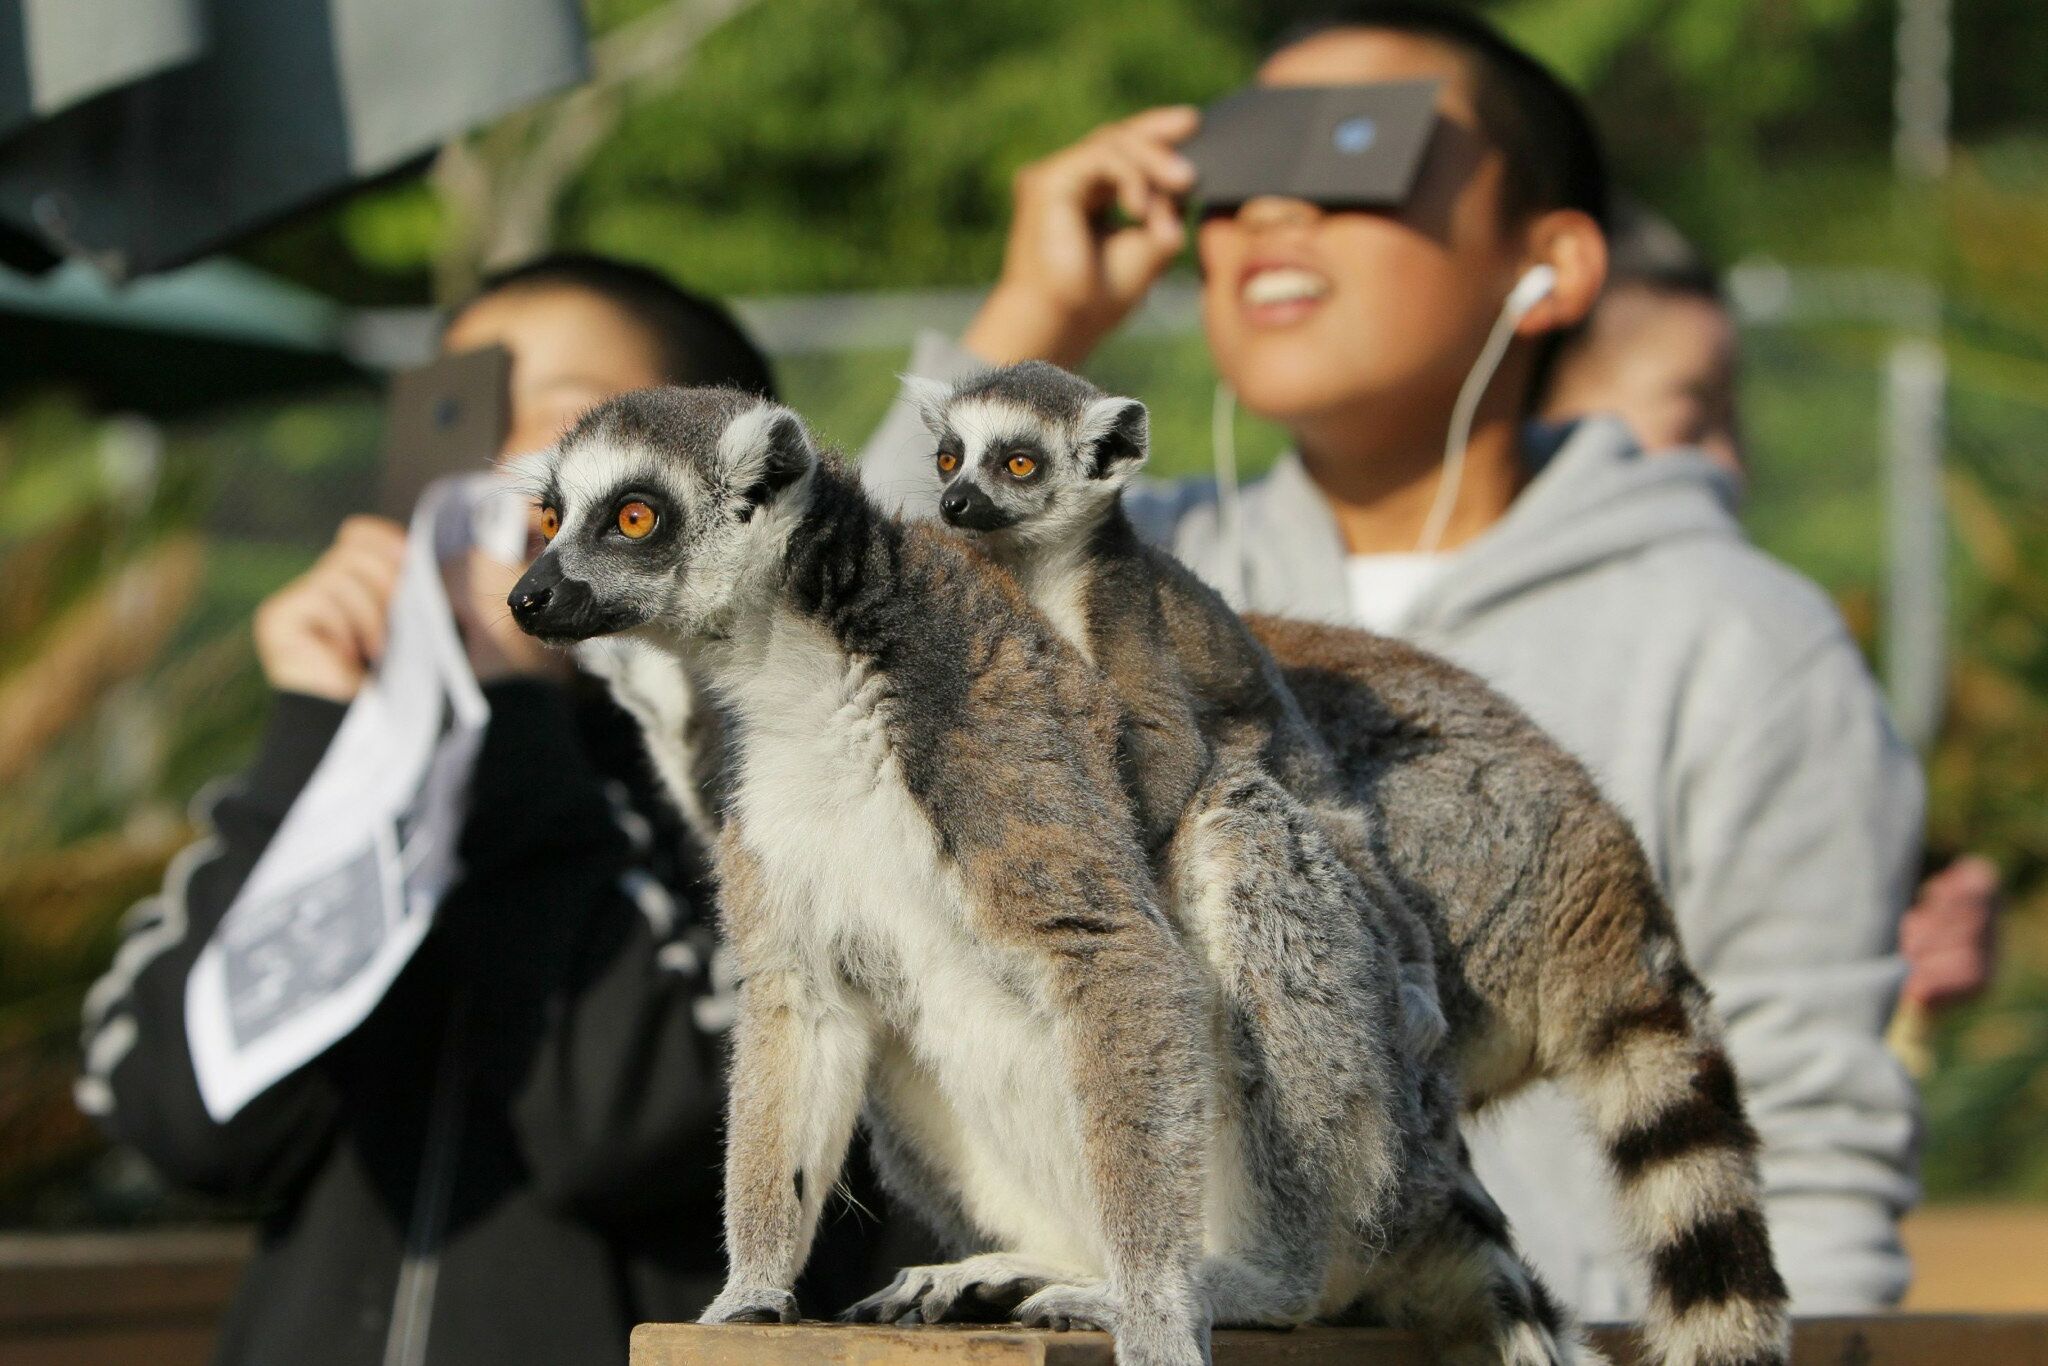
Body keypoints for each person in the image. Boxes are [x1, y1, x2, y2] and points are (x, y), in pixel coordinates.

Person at [861, 2, 1924, 1318]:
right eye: (1239, 173)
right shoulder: (1125, 559)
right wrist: (1035, 322)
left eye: (1359, 155)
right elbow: (840, 654)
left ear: (1553, 263)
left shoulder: (1730, 637)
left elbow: (1804, 1137)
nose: (1274, 215)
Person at [76, 253, 909, 1366]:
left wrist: (521, 714)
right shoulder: (351, 762)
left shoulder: (817, 790)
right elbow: (187, 1122)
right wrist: (313, 742)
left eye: (563, 427)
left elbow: (623, 1117)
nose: (494, 476)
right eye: (458, 414)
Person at [1540, 206, 2002, 1025]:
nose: (1727, 461)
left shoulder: (1758, 643)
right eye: (1689, 416)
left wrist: (1909, 916)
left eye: (1732, 418)